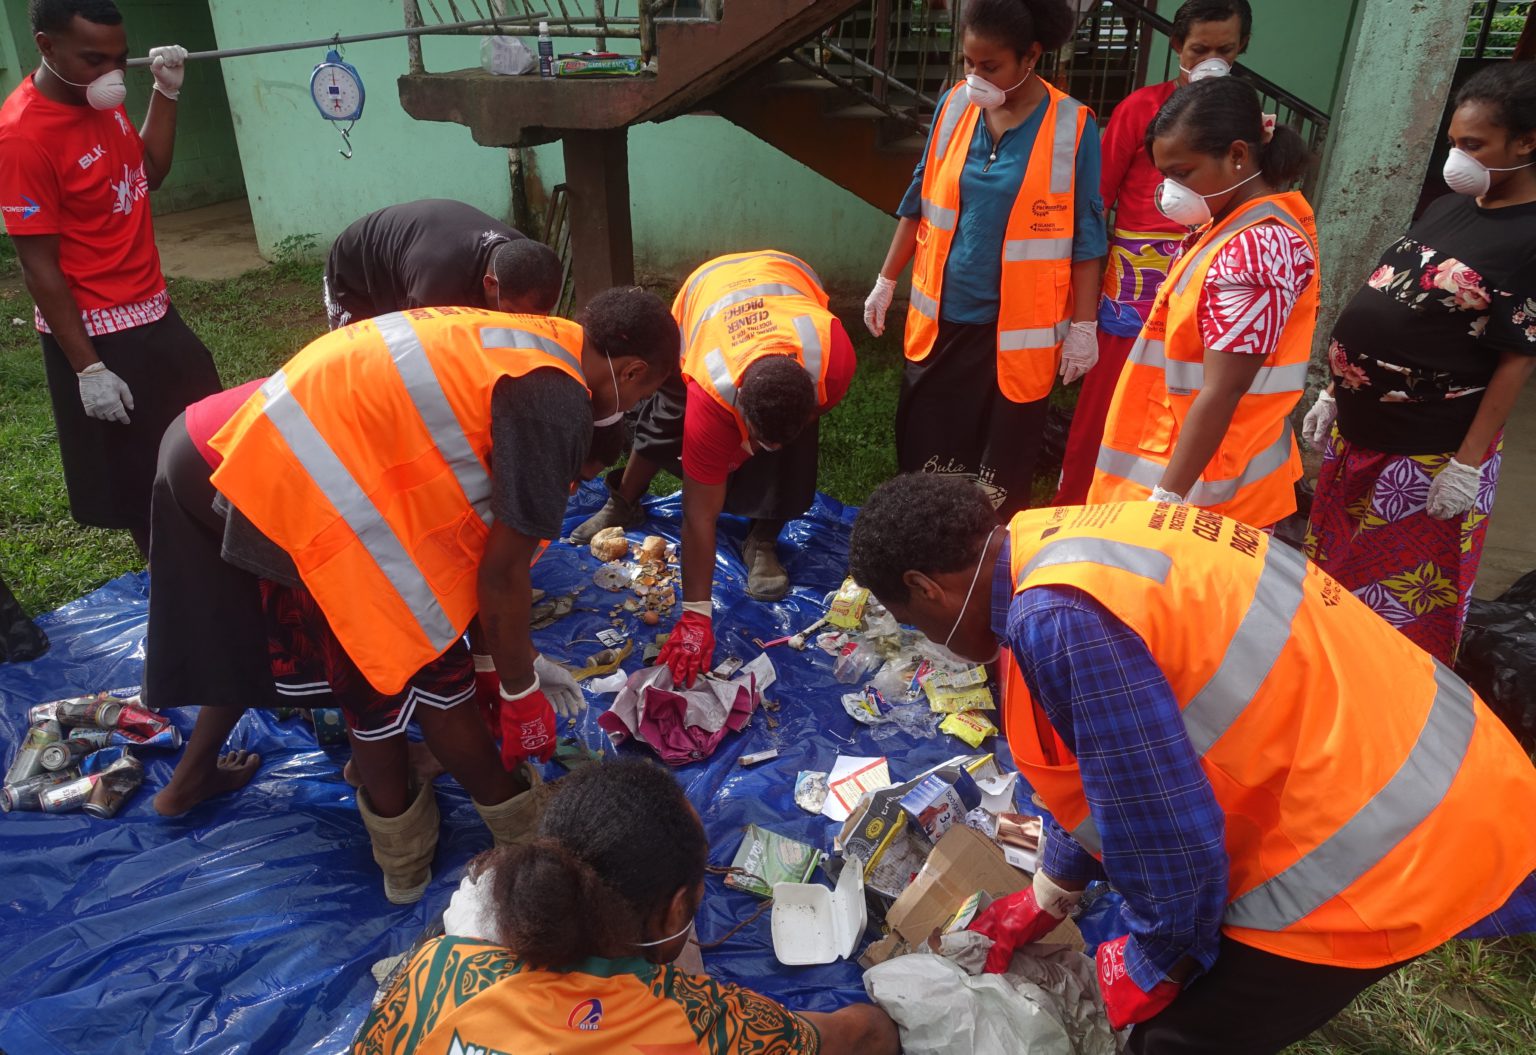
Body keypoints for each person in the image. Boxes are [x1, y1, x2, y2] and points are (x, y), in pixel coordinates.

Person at [847, 473, 1536, 1055]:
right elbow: (1098, 762)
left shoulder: (1056, 619)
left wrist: (1152, 964)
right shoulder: (1058, 541)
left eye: (912, 621)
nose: (926, 640)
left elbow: (1169, 839)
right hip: (1442, 752)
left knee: (1174, 1037)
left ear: (925, 586)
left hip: (1394, 843)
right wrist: (1051, 890)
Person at [145, 292, 679, 904]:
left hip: (288, 455)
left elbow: (474, 557)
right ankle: (517, 827)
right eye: (641, 395)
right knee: (426, 681)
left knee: (375, 678)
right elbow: (499, 576)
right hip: (298, 485)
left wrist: (506, 665)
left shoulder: (543, 340)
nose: (633, 407)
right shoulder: (556, 405)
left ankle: (403, 856)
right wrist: (518, 693)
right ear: (632, 371)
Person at [353, 757, 900, 1055]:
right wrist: (899, 1014)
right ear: (674, 911)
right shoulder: (704, 1023)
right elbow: (855, 1036)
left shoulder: (432, 971)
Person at [1300, 63, 1536, 665]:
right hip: (1360, 435)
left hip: (1427, 455)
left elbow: (1515, 359)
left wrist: (1467, 463)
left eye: (1474, 145)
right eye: (1455, 143)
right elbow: (1386, 291)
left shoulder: (1529, 237)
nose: (1458, 157)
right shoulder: (1449, 207)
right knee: (1330, 584)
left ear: (1526, 143)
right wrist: (1335, 389)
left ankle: (1385, 717)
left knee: (1396, 607)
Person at [862, 0, 1106, 516]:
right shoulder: (954, 107)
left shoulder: (1073, 127)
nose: (975, 76)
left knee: (998, 477)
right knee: (927, 455)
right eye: (968, 63)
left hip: (1017, 334)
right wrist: (887, 278)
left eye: (989, 66)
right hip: (944, 322)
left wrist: (1084, 326)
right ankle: (923, 553)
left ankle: (983, 572)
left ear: (1031, 56)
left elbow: (1086, 235)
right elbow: (919, 196)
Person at [0, 0, 218, 555]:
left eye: (120, 59)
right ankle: (177, 609)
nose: (111, 74)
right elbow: (37, 265)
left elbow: (144, 173)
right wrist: (90, 368)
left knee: (209, 452)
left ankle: (230, 580)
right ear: (46, 47)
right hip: (98, 333)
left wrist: (166, 93)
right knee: (145, 487)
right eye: (94, 58)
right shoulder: (23, 136)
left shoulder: (100, 98)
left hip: (154, 311)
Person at [571, 250, 857, 672]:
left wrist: (757, 447)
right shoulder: (712, 388)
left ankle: (762, 538)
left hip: (784, 275)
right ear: (739, 408)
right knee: (668, 412)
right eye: (754, 434)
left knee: (790, 455)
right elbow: (698, 517)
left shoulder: (834, 363)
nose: (764, 446)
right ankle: (624, 500)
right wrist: (696, 616)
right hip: (707, 295)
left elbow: (793, 423)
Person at [1087, 76, 1317, 531]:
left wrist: (1167, 498)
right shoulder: (1234, 223)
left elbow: (1224, 388)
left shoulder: (1259, 245)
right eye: (1164, 174)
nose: (1169, 190)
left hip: (1208, 496)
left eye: (1181, 173)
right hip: (1194, 475)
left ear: (1237, 155)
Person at [1054, 0, 1252, 505]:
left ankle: (1158, 509)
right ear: (1177, 48)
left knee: (1187, 408)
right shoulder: (1140, 109)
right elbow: (1094, 204)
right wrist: (1083, 308)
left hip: (1207, 289)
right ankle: (1077, 506)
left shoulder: (1246, 121)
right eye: (1200, 49)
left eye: (1224, 50)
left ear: (1242, 49)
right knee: (1106, 412)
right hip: (1133, 294)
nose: (1212, 60)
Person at [323, 198, 561, 328]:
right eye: (510, 312)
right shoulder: (436, 287)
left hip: (417, 254)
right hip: (356, 268)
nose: (518, 326)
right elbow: (419, 351)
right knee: (364, 352)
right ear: (490, 284)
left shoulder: (520, 251)